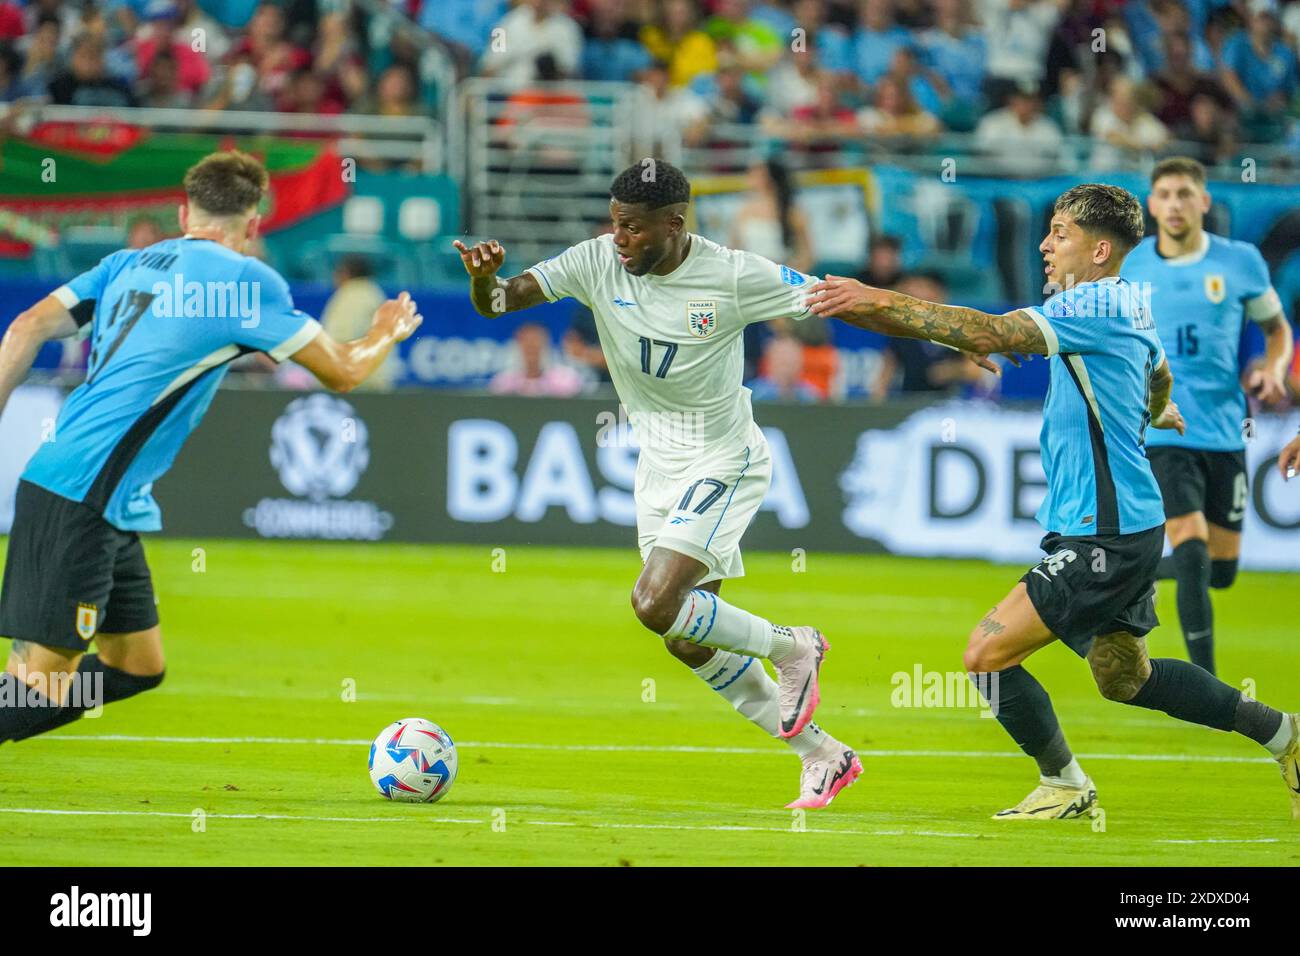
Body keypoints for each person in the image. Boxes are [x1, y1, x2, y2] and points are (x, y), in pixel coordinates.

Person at [808, 182, 1300, 820]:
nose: (1044, 245)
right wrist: (1158, 410)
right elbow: (1158, 372)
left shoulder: (1091, 302)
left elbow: (990, 328)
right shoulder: (1127, 299)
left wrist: (872, 296)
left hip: (1105, 532)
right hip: (1123, 523)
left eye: (1059, 233)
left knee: (985, 653)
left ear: (1099, 250)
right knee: (1126, 678)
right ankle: (1285, 734)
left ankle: (1065, 784)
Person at [453, 159, 863, 809]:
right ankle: (822, 754)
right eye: (614, 225)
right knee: (686, 638)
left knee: (652, 604)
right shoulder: (595, 260)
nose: (618, 239)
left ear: (673, 225)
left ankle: (795, 647)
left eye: (632, 229)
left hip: (723, 457)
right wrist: (484, 281)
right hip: (659, 469)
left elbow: (841, 300)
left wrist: (949, 330)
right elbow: (501, 303)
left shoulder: (731, 274)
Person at [0, 151, 422, 745]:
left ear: (183, 213)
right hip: (84, 494)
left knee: (135, 666)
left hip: (96, 496)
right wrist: (387, 330)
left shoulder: (125, 264)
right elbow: (345, 372)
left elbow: (23, 328)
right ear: (253, 226)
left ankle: (14, 694)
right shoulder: (244, 279)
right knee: (40, 688)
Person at [1120, 156, 1293, 676]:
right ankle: (1209, 687)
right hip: (1161, 427)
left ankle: (1136, 570)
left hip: (1225, 429)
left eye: (1184, 194)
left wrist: (1273, 369)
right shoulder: (1131, 266)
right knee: (1192, 553)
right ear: (1151, 204)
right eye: (1165, 195)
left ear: (1204, 201)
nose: (1174, 205)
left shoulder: (1239, 262)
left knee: (1219, 572)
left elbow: (1277, 330)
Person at [320, 256, 394, 391]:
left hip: (356, 382)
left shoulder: (353, 295)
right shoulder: (373, 293)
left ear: (346, 273)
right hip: (374, 378)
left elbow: (341, 337)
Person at [489, 321, 584, 397]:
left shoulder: (565, 379)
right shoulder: (504, 382)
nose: (531, 348)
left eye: (536, 344)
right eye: (526, 345)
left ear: (546, 346)